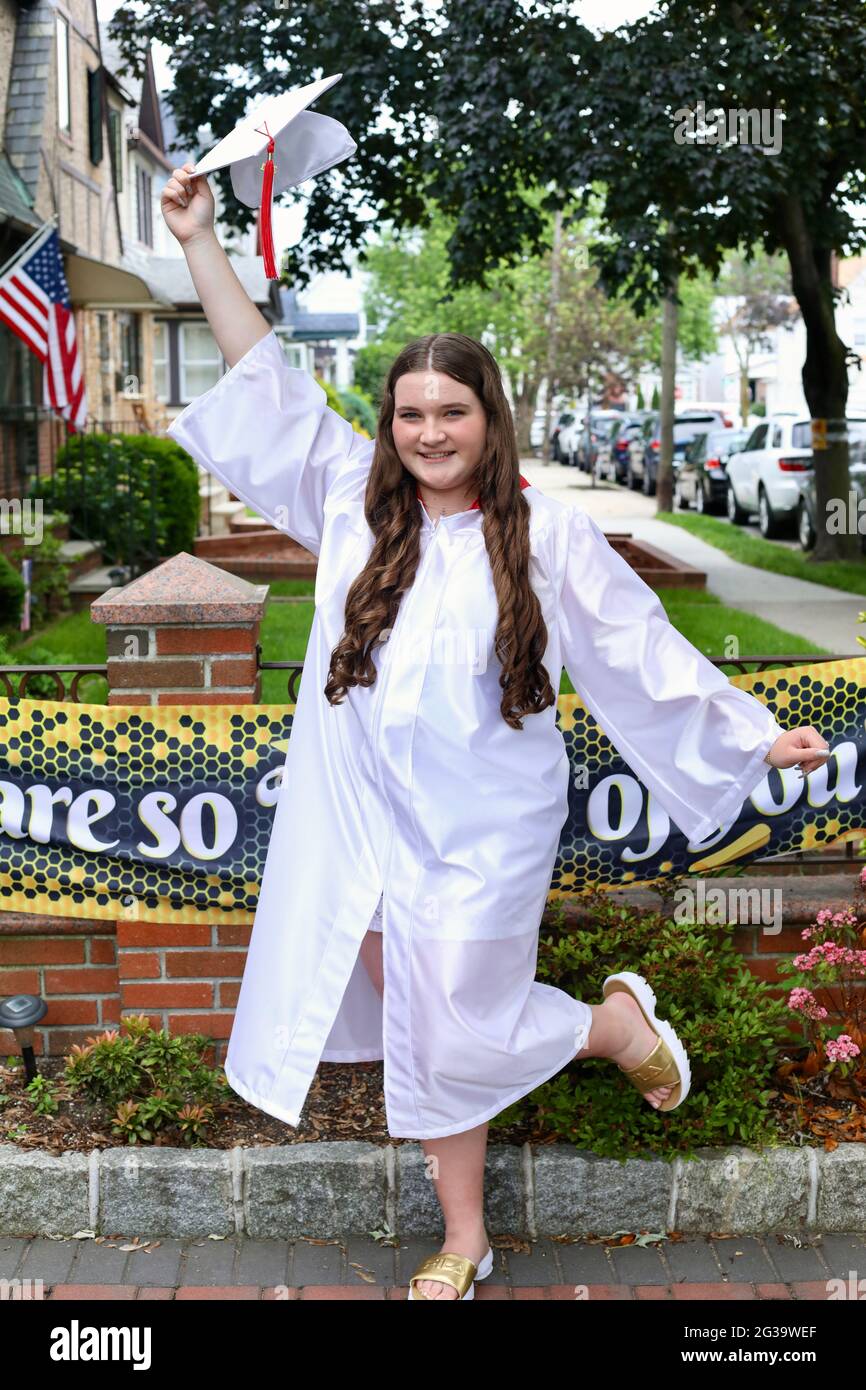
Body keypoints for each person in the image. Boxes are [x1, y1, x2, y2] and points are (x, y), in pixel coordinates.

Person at [160, 164, 830, 1300]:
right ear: (389, 424)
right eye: (410, 413)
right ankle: (463, 1238)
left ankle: (615, 1028)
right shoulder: (345, 501)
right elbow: (260, 377)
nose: (429, 432)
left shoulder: (548, 534)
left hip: (485, 825)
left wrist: (749, 735)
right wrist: (198, 245)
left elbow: (639, 647)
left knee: (464, 1025)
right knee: (427, 1032)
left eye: (451, 412)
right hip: (361, 817)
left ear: (488, 418)